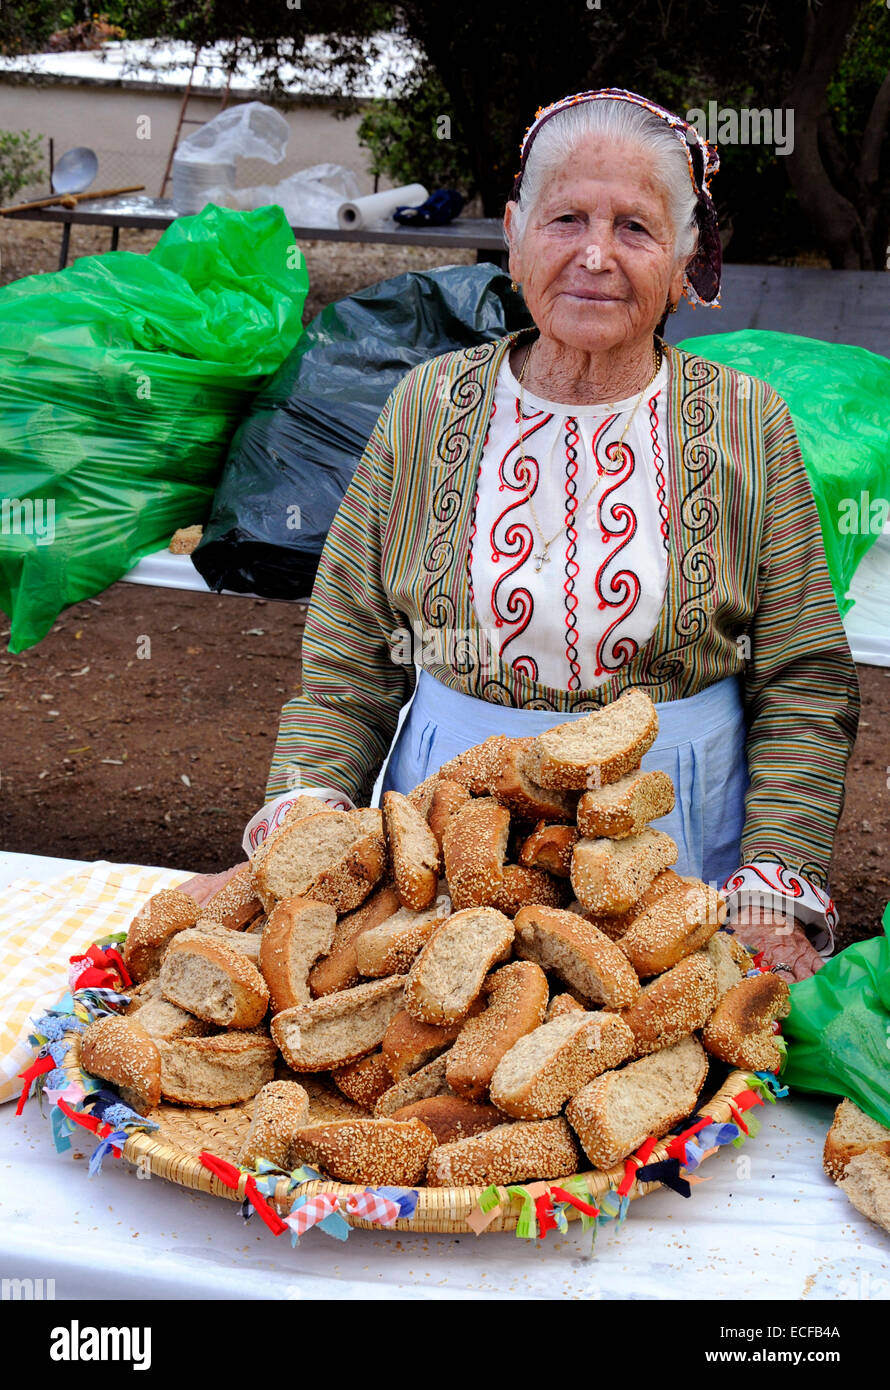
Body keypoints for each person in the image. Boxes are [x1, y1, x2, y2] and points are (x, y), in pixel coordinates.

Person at [199, 89, 860, 982]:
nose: (595, 255)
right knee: (444, 1062)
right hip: (446, 832)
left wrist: (771, 885)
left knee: (652, 1080)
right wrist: (309, 820)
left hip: (673, 847)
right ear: (513, 235)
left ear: (684, 258)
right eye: (566, 218)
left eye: (635, 227)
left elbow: (804, 681)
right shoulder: (426, 408)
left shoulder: (745, 424)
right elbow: (349, 660)